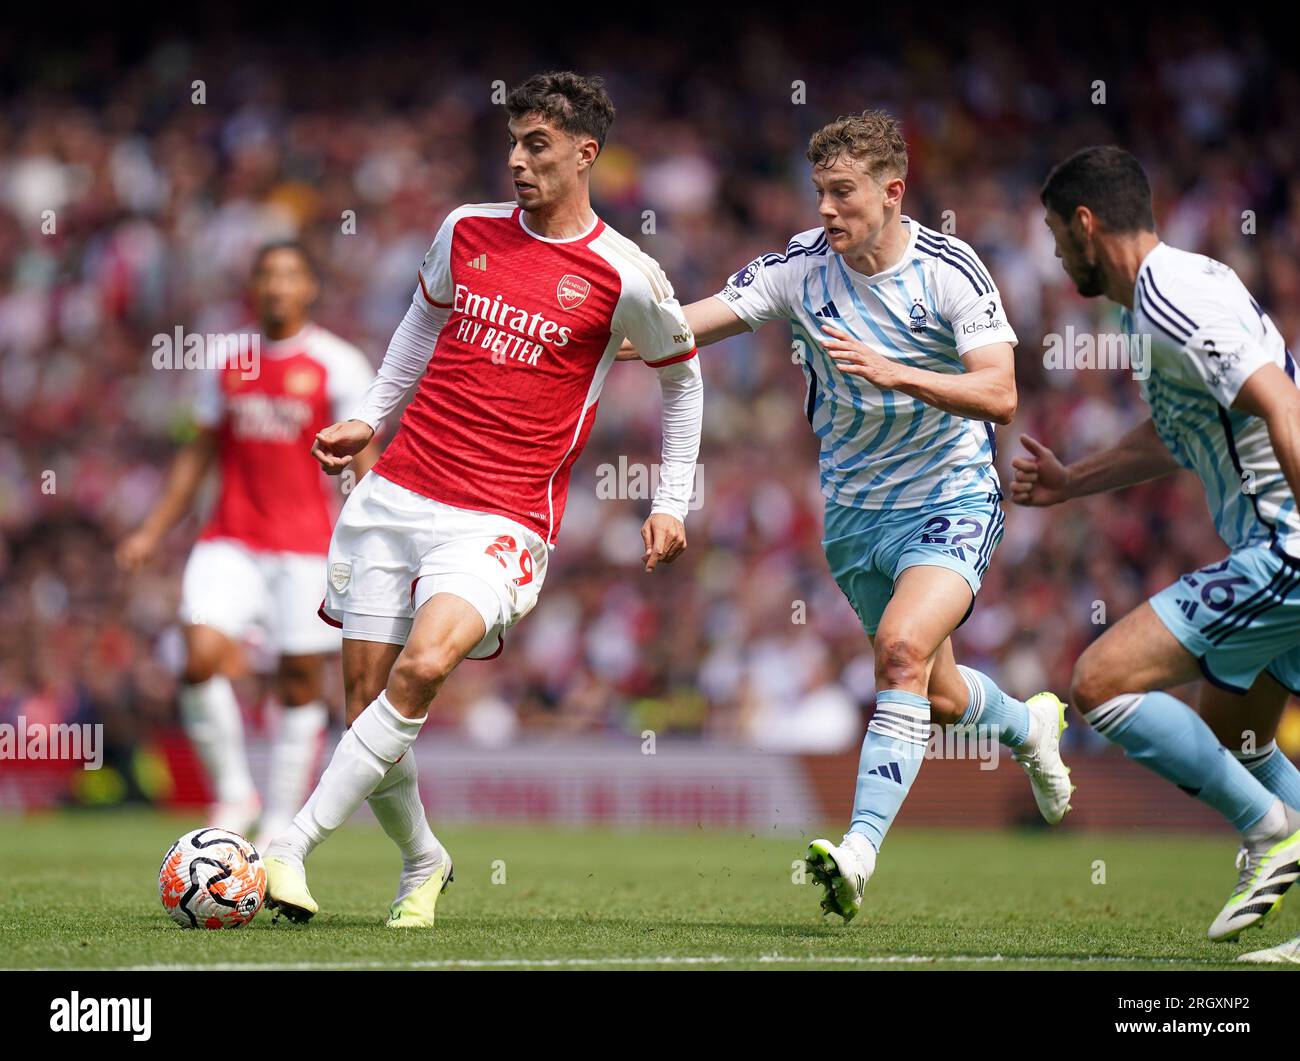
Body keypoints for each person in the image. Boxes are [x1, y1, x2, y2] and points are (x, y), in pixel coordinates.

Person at [261, 71, 704, 929]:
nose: (517, 161)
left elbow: (683, 385)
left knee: (424, 667)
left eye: (536, 145)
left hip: (501, 519)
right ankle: (425, 857)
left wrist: (672, 500)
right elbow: (422, 323)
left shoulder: (625, 274)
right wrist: (367, 418)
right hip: (398, 489)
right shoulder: (465, 230)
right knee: (364, 704)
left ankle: (289, 845)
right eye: (512, 143)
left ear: (586, 154)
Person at [621, 110, 1072, 922]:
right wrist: (623, 333)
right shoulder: (803, 266)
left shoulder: (950, 271)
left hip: (950, 498)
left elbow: (1000, 394)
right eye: (818, 191)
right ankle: (1029, 726)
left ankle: (857, 852)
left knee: (899, 652)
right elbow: (700, 321)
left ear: (893, 193)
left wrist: (899, 374)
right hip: (855, 516)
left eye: (842, 193)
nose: (825, 209)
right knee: (933, 691)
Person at [1022, 144, 1300, 941]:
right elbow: (1178, 432)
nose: (1053, 253)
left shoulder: (1175, 297)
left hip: (1287, 547)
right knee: (1233, 731)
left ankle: (1271, 830)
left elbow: (1282, 402)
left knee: (1101, 682)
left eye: (1054, 234)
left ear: (1085, 224)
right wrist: (1074, 480)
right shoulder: (1167, 295)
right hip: (1275, 549)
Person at [117, 242, 377, 845]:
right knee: (199, 654)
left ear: (310, 287)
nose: (277, 285)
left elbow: (366, 458)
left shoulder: (338, 364)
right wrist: (153, 530)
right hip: (230, 538)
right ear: (253, 285)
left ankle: (278, 823)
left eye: (290, 274)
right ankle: (234, 793)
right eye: (266, 274)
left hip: (309, 546)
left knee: (297, 680)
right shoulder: (227, 358)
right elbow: (200, 452)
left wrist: (377, 540)